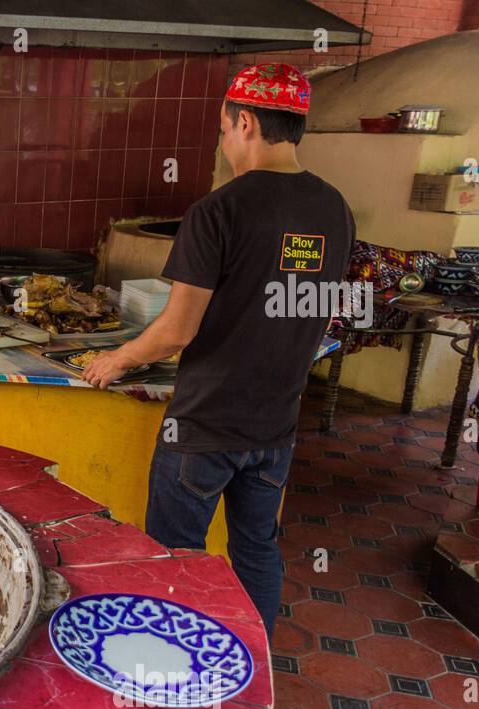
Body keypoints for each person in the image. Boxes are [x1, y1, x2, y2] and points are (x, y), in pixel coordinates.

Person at [78, 63, 355, 637]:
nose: (224, 141)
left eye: (224, 129)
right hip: (275, 427)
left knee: (176, 555)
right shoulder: (335, 209)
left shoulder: (219, 211)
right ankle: (252, 663)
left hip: (203, 427)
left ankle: (173, 662)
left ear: (246, 121)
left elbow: (177, 330)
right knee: (257, 550)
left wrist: (117, 358)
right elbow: (311, 308)